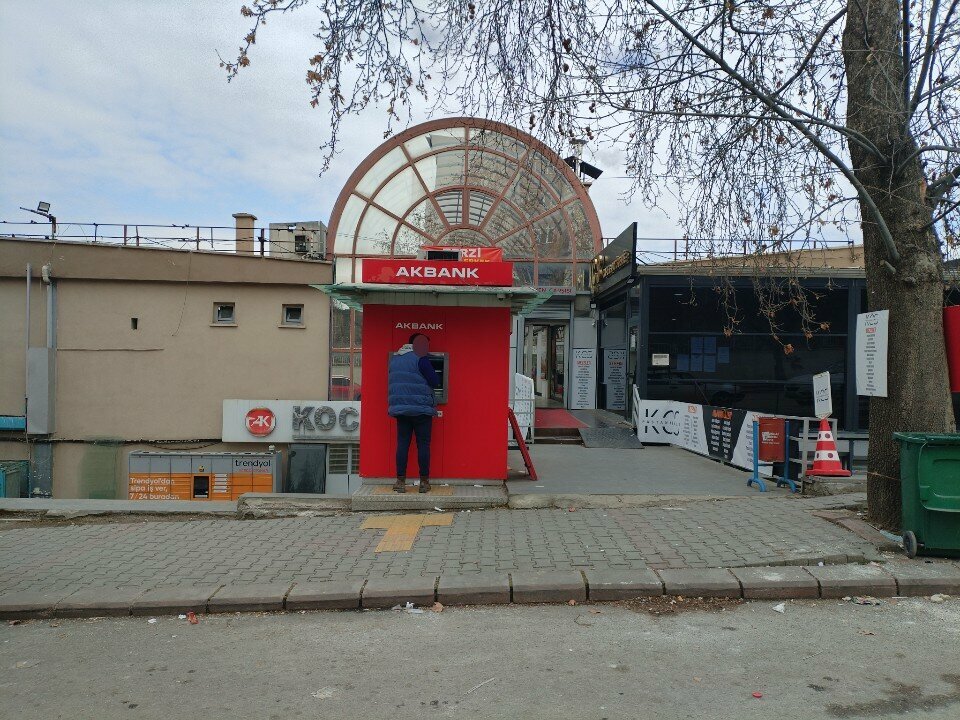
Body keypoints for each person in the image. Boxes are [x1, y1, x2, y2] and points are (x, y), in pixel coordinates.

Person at [388, 333, 440, 493]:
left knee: (402, 444)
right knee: (423, 445)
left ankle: (400, 482)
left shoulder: (395, 359)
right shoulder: (421, 359)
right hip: (421, 410)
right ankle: (424, 482)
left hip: (401, 409)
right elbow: (435, 381)